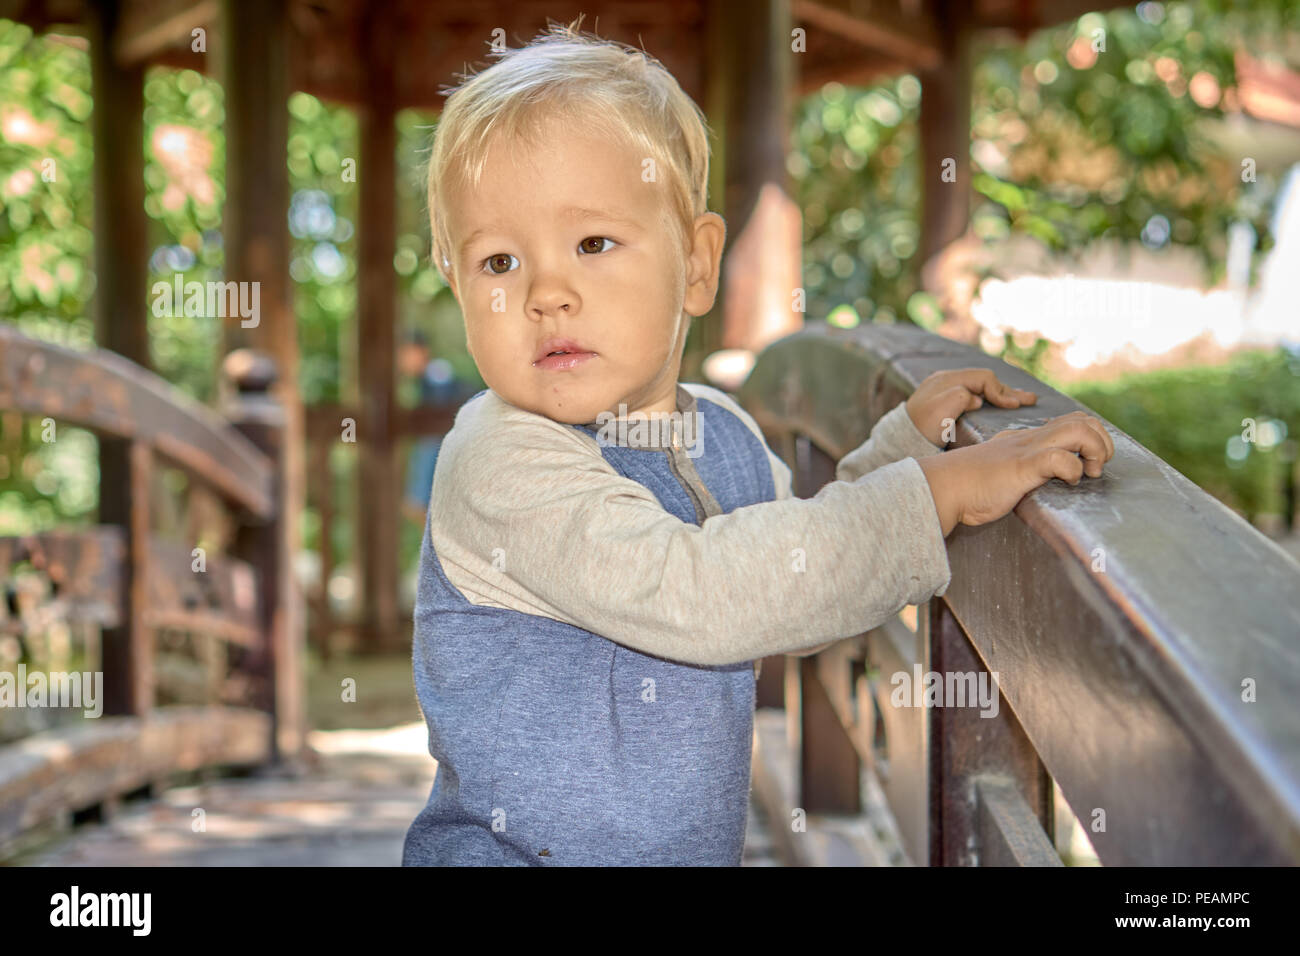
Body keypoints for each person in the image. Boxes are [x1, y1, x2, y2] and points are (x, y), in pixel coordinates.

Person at [401, 20, 1114, 867]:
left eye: (592, 243)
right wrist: (936, 497)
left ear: (697, 266)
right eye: (498, 263)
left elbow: (790, 580)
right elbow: (699, 592)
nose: (546, 292)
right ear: (455, 283)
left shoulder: (721, 433)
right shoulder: (499, 457)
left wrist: (905, 459)